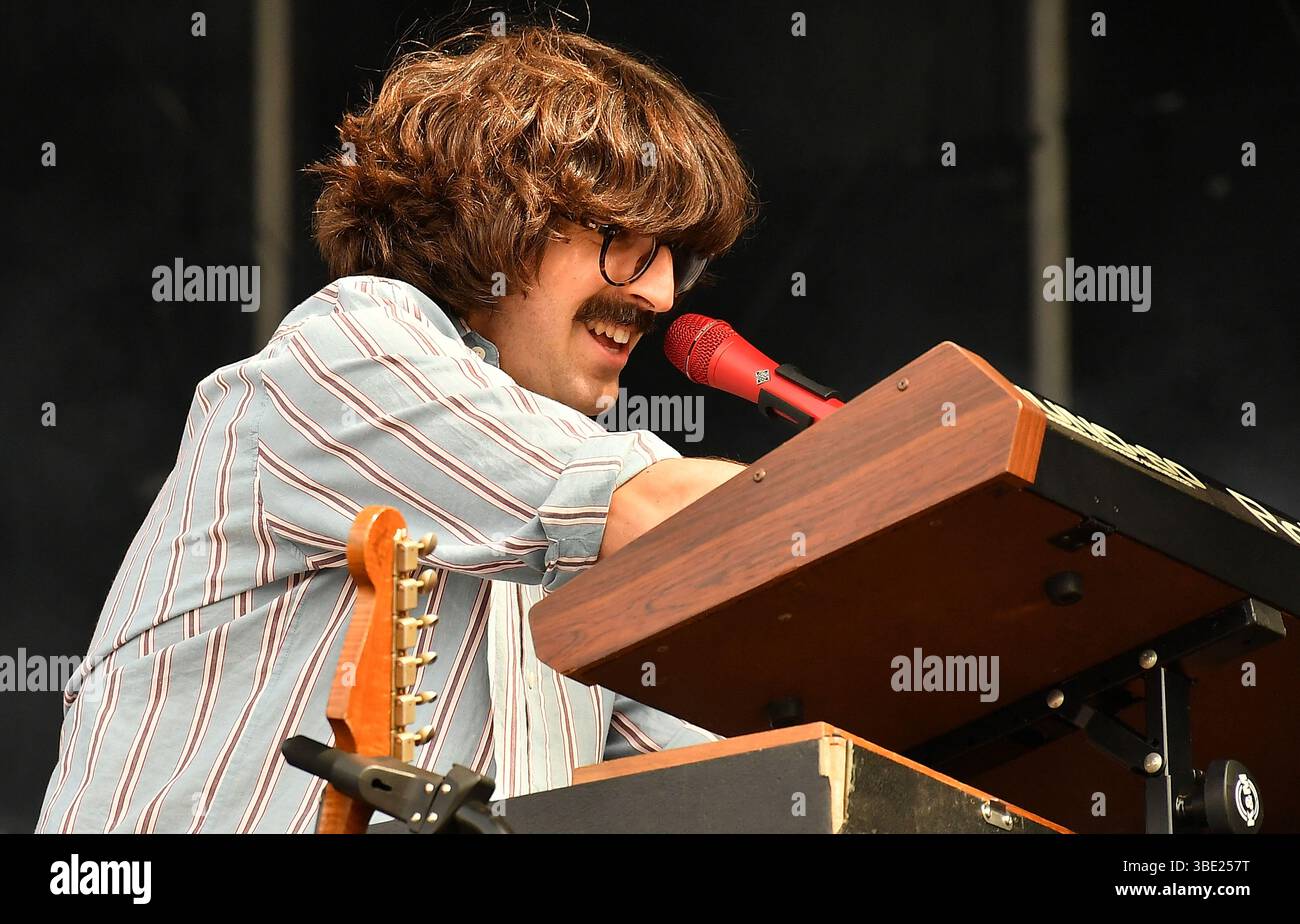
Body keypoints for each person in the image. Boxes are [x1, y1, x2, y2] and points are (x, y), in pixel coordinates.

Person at [38, 23, 755, 833]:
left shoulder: (573, 511)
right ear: (498, 218)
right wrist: (890, 484)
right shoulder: (353, 347)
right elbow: (655, 511)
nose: (661, 294)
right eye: (626, 241)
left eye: (677, 259)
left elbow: (727, 788)